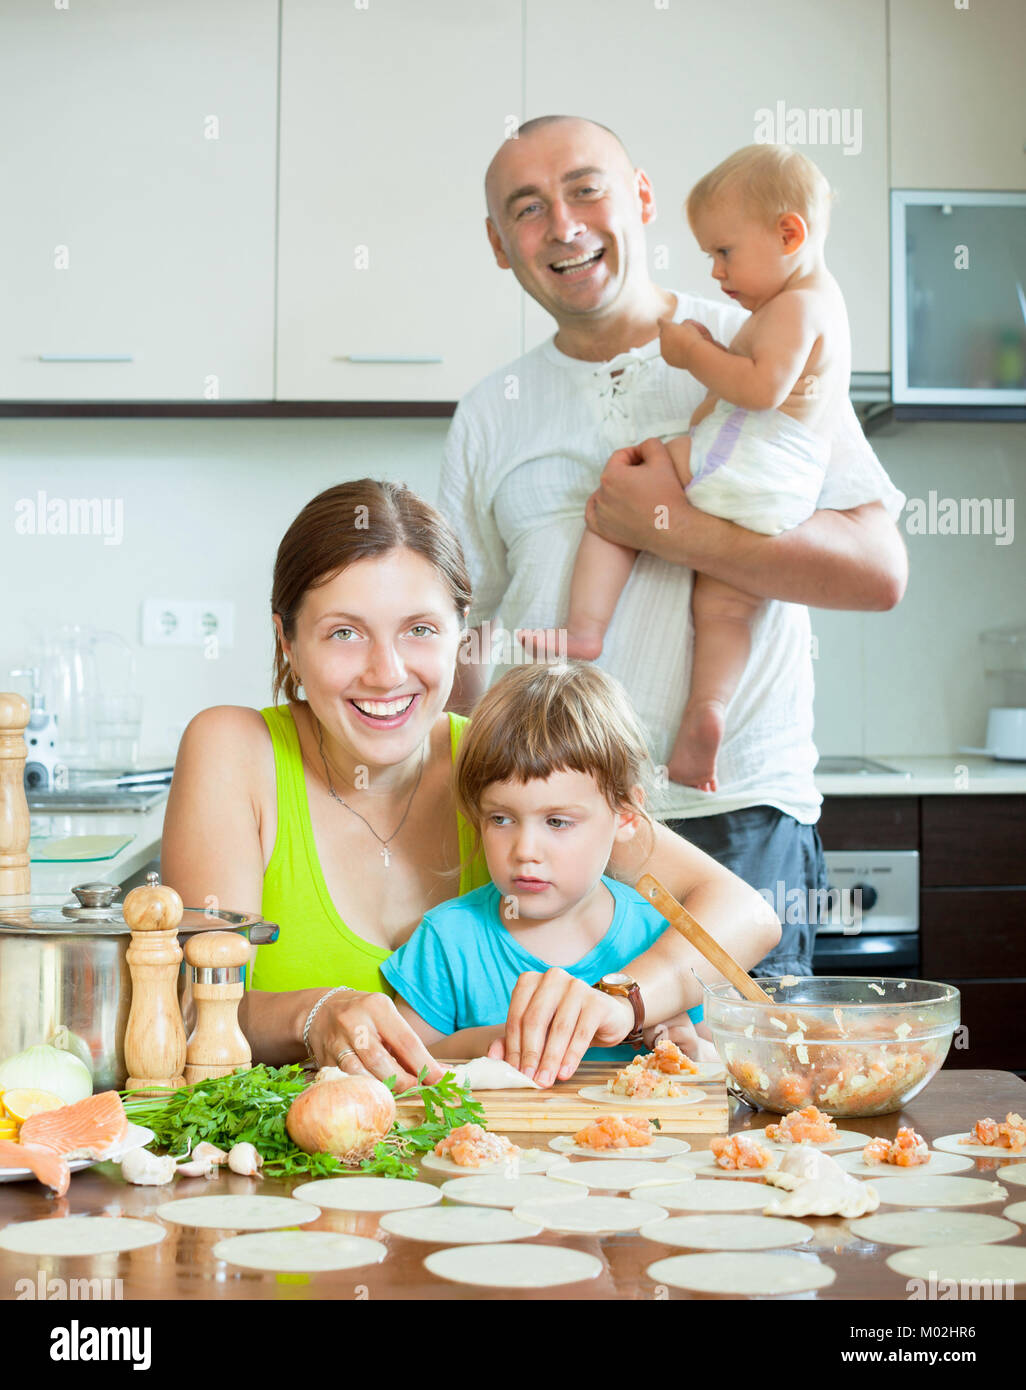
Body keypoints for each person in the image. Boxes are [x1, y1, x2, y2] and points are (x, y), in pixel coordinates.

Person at [442, 115, 908, 978]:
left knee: (746, 1102)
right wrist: (462, 807)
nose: (566, 224)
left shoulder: (759, 337)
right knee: (558, 1091)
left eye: (587, 189)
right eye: (530, 208)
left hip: (734, 814)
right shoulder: (490, 412)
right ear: (500, 245)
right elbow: (464, 635)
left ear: (642, 197)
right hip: (554, 834)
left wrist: (669, 526)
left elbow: (879, 572)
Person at [161, 478, 779, 1091]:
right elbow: (190, 1009)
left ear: (462, 631)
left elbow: (745, 914)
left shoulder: (502, 762)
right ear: (287, 642)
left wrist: (626, 1001)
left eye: (420, 630)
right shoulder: (236, 751)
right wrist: (313, 1013)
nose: (387, 672)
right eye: (344, 633)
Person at [556, 144, 848, 793]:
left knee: (624, 483)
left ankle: (583, 630)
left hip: (746, 459)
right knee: (725, 607)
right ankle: (706, 712)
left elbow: (762, 387)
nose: (716, 273)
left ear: (789, 233)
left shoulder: (794, 307)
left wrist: (691, 353)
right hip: (784, 493)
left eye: (724, 251)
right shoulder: (820, 307)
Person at [384, 662, 717, 1063]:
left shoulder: (661, 936)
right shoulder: (447, 940)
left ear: (626, 816)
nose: (525, 849)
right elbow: (406, 1066)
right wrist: (505, 1040)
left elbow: (717, 1065)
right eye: (501, 818)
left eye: (557, 822)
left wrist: (692, 1051)